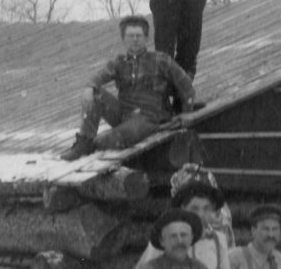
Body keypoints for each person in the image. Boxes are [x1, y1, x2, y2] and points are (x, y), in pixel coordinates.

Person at [60, 16, 195, 161]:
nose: (135, 40)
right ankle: (84, 143)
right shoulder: (119, 62)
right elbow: (99, 76)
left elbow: (187, 88)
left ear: (146, 38)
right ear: (124, 39)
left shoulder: (161, 60)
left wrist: (186, 114)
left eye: (139, 36)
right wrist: (89, 87)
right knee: (95, 94)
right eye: (130, 36)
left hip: (148, 118)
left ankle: (97, 144)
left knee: (111, 139)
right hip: (124, 115)